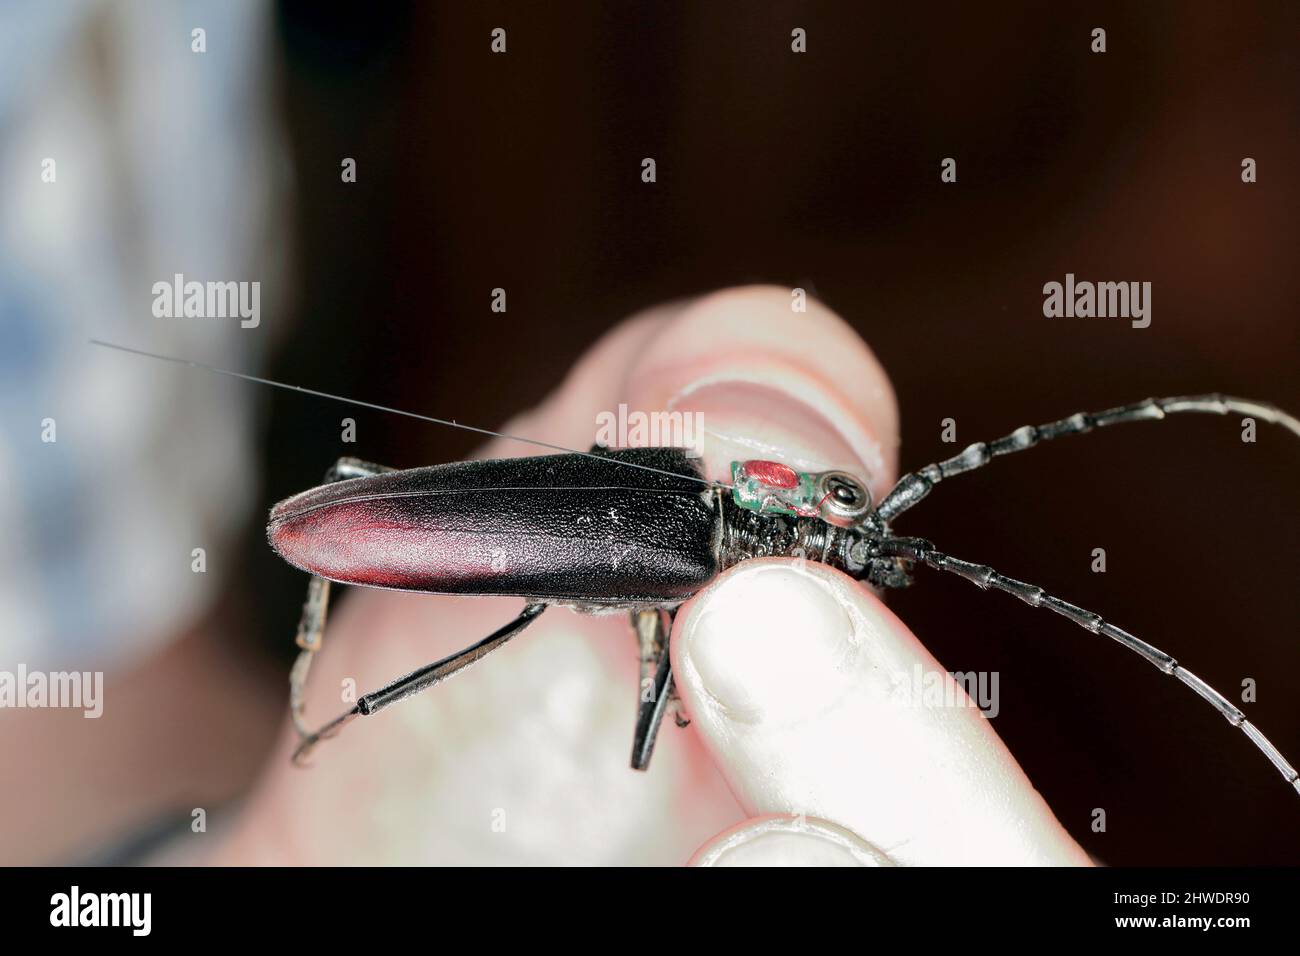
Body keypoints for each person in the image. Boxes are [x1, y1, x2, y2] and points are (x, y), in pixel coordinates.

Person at [201, 286, 1091, 866]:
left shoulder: (690, 499)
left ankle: (341, 703)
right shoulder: (695, 518)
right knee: (460, 598)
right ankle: (347, 701)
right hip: (535, 552)